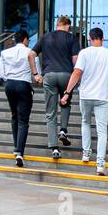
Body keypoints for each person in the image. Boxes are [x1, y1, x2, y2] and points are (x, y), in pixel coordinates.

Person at [60, 28, 108, 176]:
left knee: (85, 122)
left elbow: (77, 73)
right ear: (102, 39)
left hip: (86, 95)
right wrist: (107, 75)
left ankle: (86, 153)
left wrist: (67, 93)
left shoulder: (84, 53)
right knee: (102, 131)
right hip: (102, 97)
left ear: (90, 38)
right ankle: (100, 164)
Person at [33, 15, 80, 159]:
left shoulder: (45, 37)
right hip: (66, 75)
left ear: (57, 24)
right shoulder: (71, 38)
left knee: (50, 113)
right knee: (65, 102)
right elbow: (75, 61)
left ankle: (54, 148)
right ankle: (63, 130)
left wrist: (36, 74)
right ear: (67, 26)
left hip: (49, 76)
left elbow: (31, 54)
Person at [0, 30, 40, 168]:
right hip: (23, 85)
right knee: (23, 120)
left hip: (9, 84)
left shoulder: (5, 53)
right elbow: (36, 73)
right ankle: (20, 153)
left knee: (14, 115)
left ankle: (16, 148)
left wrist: (9, 78)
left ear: (15, 39)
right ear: (26, 39)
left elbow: (0, 73)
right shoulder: (31, 53)